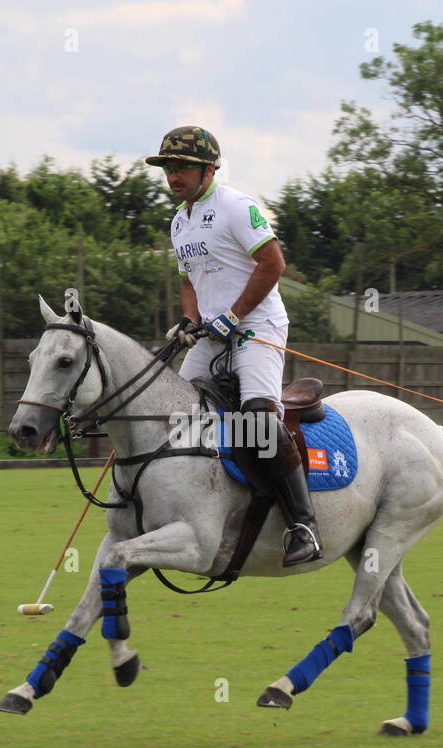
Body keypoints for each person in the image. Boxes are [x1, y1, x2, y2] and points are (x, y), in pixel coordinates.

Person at [146, 125, 321, 567]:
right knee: (175, 415)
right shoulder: (179, 221)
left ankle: (304, 524)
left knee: (259, 420)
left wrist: (236, 314)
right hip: (212, 336)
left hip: (257, 327)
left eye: (182, 166)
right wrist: (191, 318)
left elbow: (273, 262)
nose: (173, 176)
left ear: (208, 169)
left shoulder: (236, 207)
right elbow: (189, 281)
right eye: (168, 167)